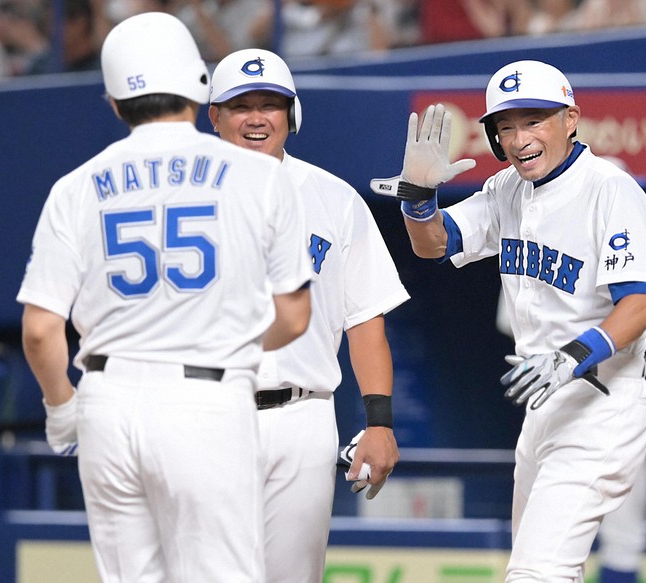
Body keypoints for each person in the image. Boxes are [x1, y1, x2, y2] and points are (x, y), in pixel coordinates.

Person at [16, 12, 312, 582]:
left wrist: (61, 410)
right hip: (206, 396)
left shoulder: (74, 186)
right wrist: (226, 340)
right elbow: (294, 316)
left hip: (107, 399)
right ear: (201, 87)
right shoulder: (260, 176)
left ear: (113, 101)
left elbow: (38, 330)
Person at [371, 59, 646, 582]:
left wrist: (573, 355)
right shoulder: (506, 187)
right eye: (504, 126)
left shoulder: (609, 188)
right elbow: (435, 245)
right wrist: (418, 200)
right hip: (543, 408)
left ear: (570, 119)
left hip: (602, 405)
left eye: (534, 120)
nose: (518, 138)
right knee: (546, 569)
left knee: (537, 574)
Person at [208, 48, 410, 582]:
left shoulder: (334, 199)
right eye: (240, 106)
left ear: (291, 115)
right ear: (215, 117)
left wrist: (379, 423)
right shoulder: (187, 195)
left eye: (270, 105)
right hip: (205, 410)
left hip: (301, 415)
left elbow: (366, 318)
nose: (257, 118)